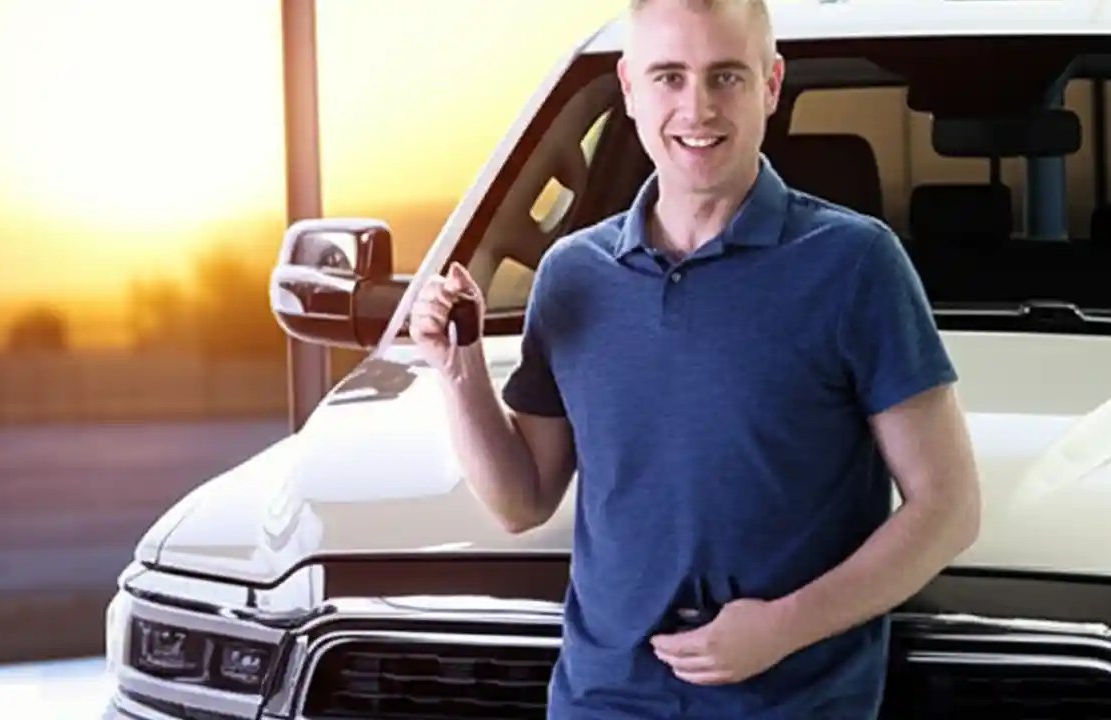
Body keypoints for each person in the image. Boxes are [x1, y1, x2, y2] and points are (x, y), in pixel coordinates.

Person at [407, 0, 982, 716]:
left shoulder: (855, 265)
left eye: (726, 77)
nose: (697, 108)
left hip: (791, 705)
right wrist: (458, 372)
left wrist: (783, 627)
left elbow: (949, 509)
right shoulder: (572, 274)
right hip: (603, 699)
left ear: (771, 85)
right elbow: (522, 503)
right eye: (669, 77)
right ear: (630, 88)